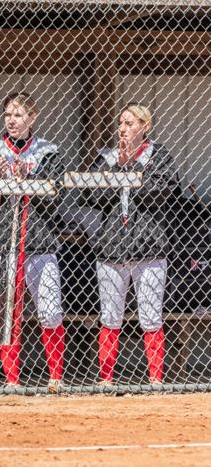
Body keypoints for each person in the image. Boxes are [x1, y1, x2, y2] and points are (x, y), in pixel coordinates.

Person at [0, 92, 65, 392]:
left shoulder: (47, 151)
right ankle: (11, 378)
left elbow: (56, 195)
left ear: (32, 118)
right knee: (9, 309)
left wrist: (28, 178)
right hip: (1, 238)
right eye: (8, 114)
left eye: (19, 114)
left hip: (39, 240)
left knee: (50, 309)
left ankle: (56, 376)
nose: (12, 120)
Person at [84, 103, 180, 385]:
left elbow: (161, 191)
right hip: (112, 246)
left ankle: (155, 379)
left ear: (145, 127)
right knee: (110, 315)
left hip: (148, 245)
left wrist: (132, 168)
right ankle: (106, 378)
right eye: (120, 124)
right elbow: (92, 196)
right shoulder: (108, 156)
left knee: (150, 315)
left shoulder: (157, 155)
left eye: (129, 123)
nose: (122, 129)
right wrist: (119, 167)